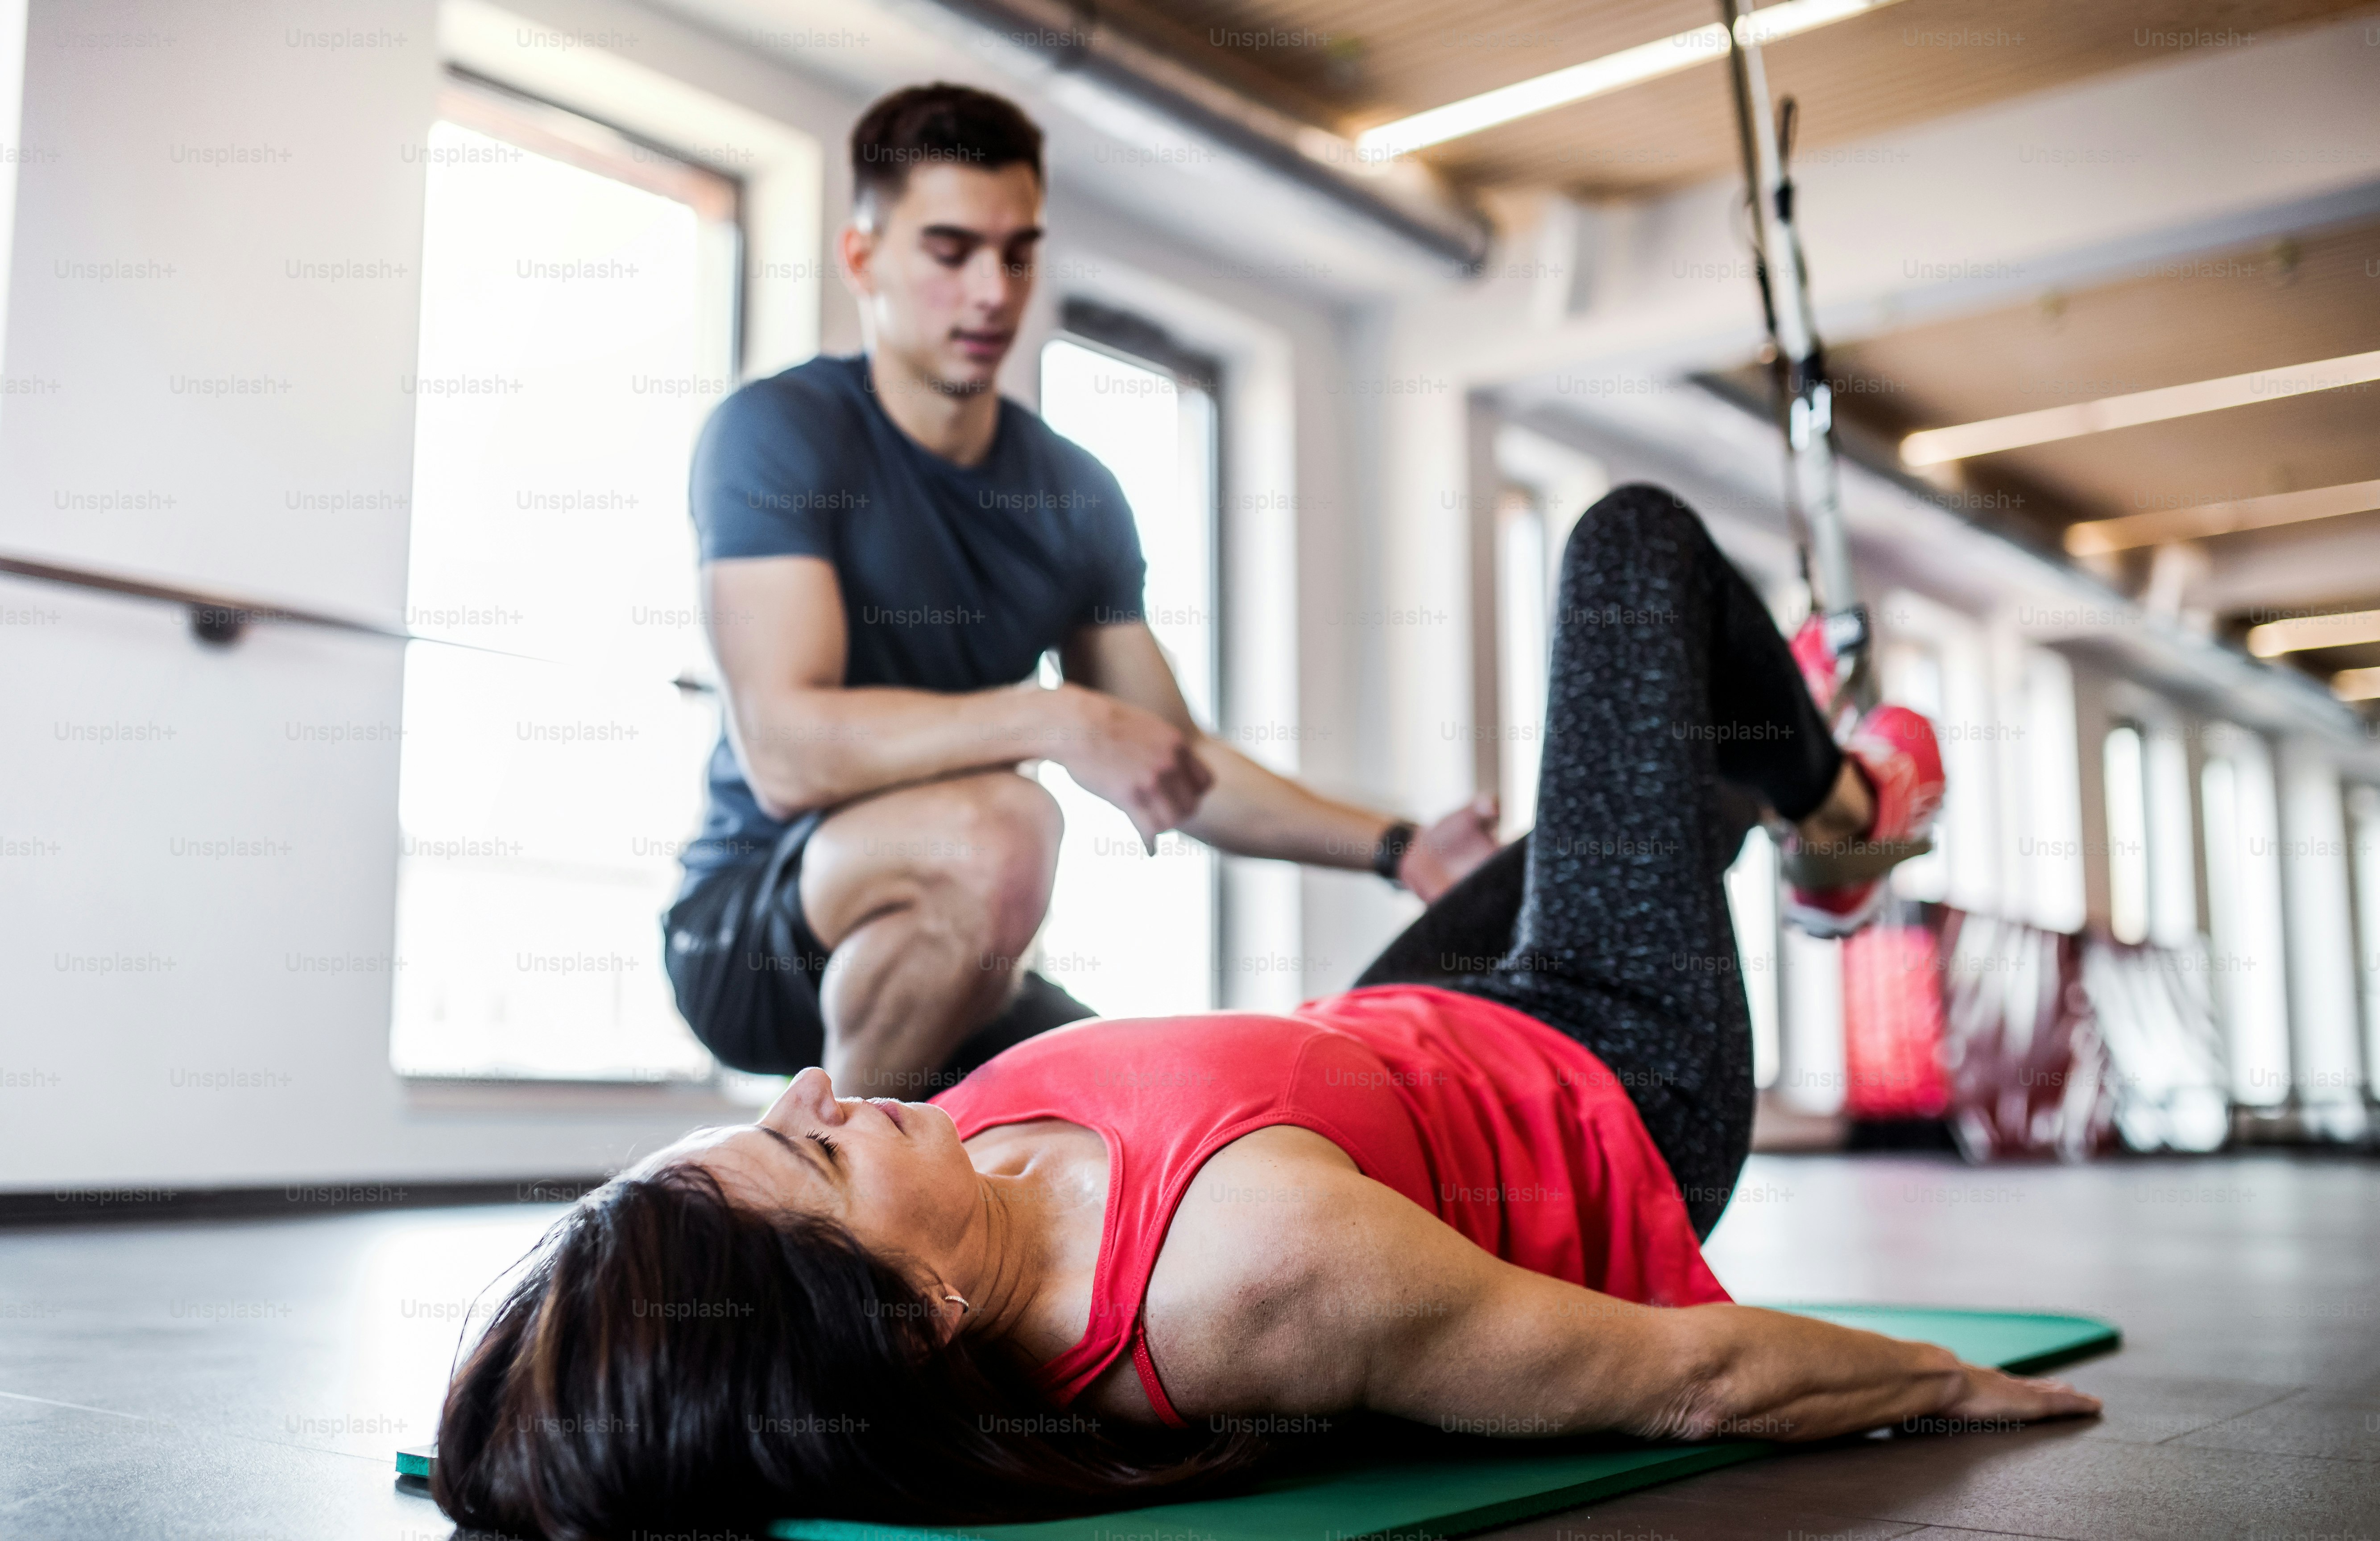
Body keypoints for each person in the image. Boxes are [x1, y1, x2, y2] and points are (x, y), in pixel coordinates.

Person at [435, 487, 2094, 1540]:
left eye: (775, 1115)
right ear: (921, 1311)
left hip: (1407, 1026)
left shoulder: (953, 1181)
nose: (811, 1083)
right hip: (1608, 1062)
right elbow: (1688, 1382)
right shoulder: (1246, 1272)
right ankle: (1838, 811)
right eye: (809, 1159)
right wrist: (1938, 1384)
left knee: (1652, 774)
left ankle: (1766, 785)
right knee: (1630, 553)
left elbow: (596, 1401)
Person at [666, 81, 1498, 1095]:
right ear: (862, 257)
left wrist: (1398, 848)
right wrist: (1054, 719)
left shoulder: (1073, 494)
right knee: (1010, 826)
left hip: (962, 946)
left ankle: (885, 1170)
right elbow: (789, 752)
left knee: (1169, 1102)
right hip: (752, 929)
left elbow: (1172, 760)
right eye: (950, 250)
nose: (992, 292)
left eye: (1018, 253)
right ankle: (825, 1212)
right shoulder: (781, 432)